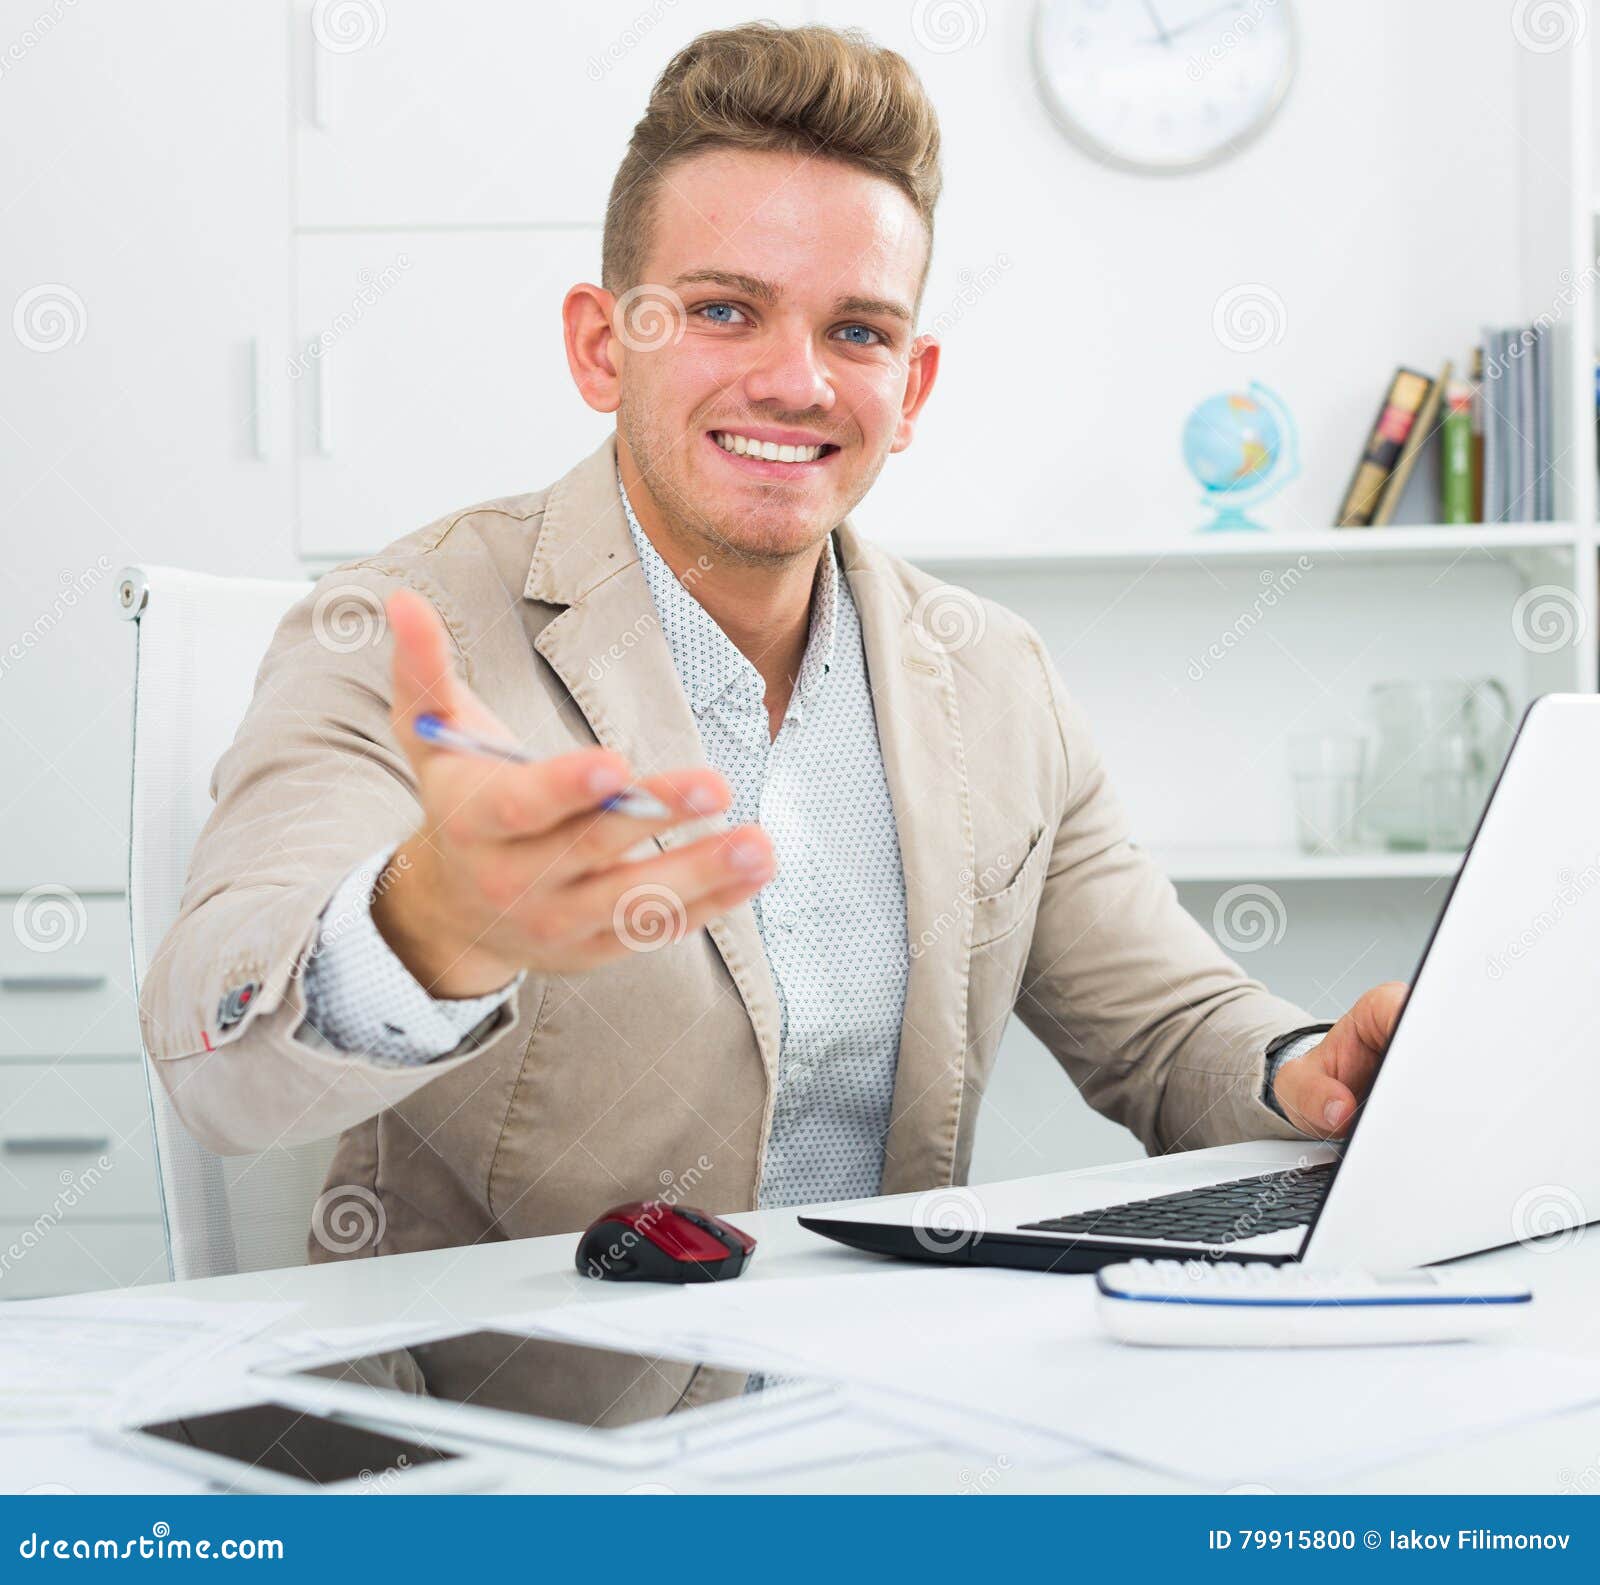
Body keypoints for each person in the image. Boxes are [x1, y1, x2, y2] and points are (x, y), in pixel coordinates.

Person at [139, 22, 1402, 1264]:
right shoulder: (397, 631)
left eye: (857, 330)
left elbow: (1169, 1032)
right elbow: (216, 1058)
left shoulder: (996, 676)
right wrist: (429, 927)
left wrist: (1311, 1070)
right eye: (724, 310)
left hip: (873, 1421)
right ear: (599, 344)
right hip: (507, 1440)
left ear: (909, 390)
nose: (796, 381)